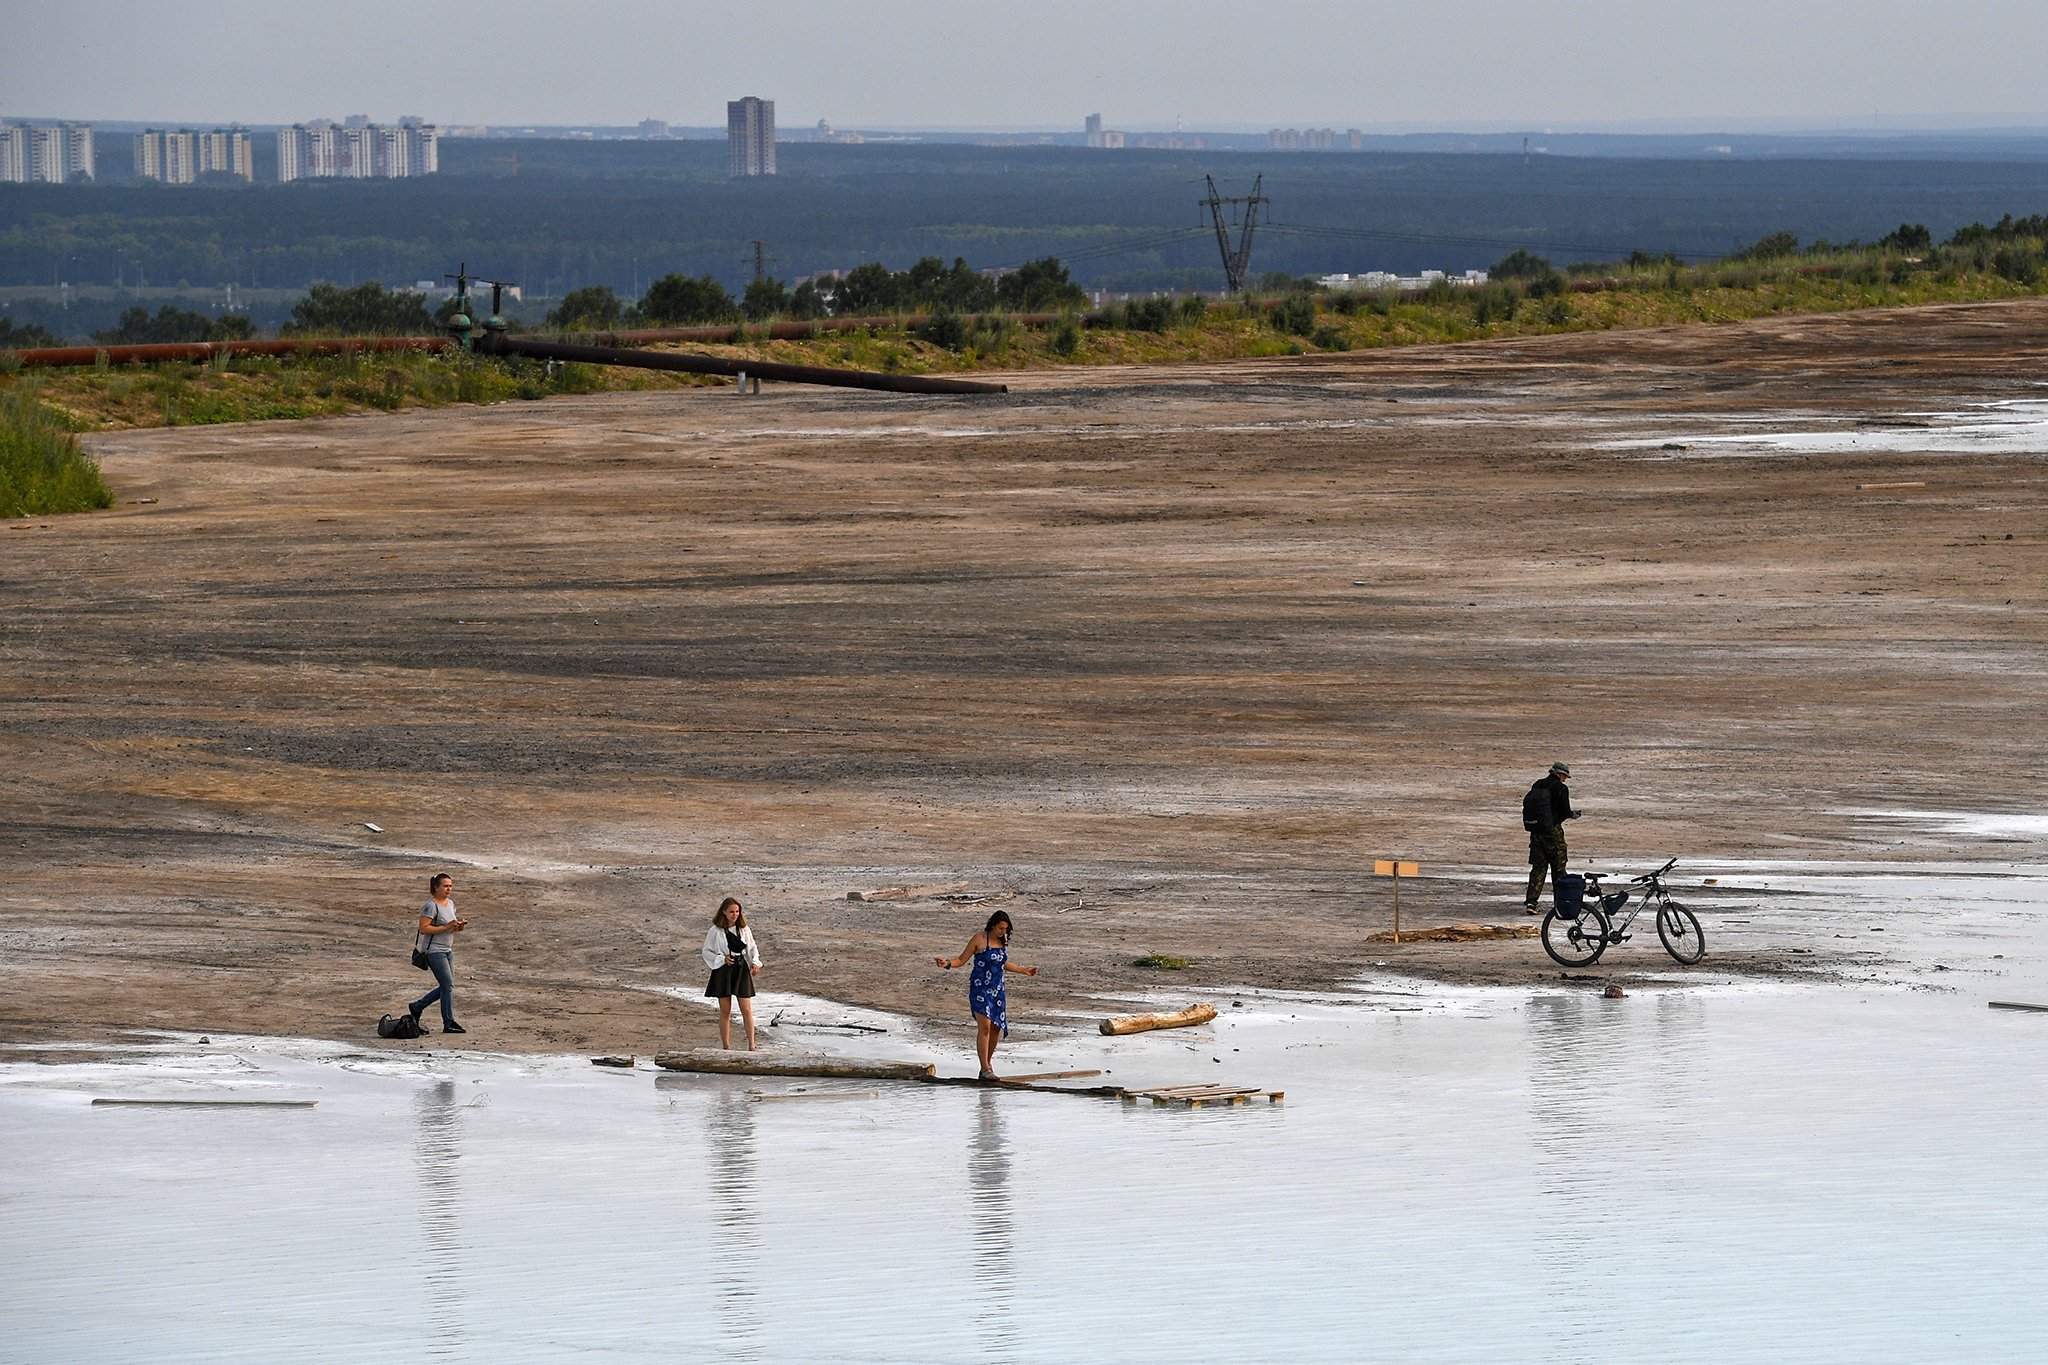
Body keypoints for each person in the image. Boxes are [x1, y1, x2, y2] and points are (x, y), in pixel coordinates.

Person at [935, 910, 1038, 1082]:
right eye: (1000, 928)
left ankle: (987, 1066)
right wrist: (947, 964)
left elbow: (1002, 963)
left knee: (996, 1028)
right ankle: (985, 1068)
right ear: (992, 925)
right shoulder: (979, 938)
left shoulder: (1003, 940)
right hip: (980, 989)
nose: (1003, 932)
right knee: (985, 1027)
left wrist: (1024, 970)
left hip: (998, 991)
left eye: (1005, 929)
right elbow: (961, 960)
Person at [408, 873, 468, 1034]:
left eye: (450, 886)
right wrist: (447, 926)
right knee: (447, 985)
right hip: (434, 951)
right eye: (445, 886)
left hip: (447, 950)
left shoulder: (451, 904)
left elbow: (449, 928)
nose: (449, 889)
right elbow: (423, 928)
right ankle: (448, 1022)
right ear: (436, 887)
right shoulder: (431, 906)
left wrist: (458, 927)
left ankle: (417, 1006)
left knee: (447, 986)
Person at [702, 897, 763, 1050]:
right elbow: (706, 951)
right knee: (725, 1011)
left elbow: (752, 948)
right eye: (731, 912)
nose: (734, 915)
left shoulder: (744, 929)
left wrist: (755, 963)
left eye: (737, 911)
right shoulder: (715, 931)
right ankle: (726, 1047)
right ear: (724, 912)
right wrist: (722, 959)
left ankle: (752, 1044)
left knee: (746, 1009)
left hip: (741, 969)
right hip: (723, 971)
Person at [1523, 761, 1582, 914]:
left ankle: (1531, 903)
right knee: (1559, 869)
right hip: (1553, 832)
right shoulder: (1561, 789)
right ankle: (1559, 904)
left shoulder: (1538, 784)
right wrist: (1573, 815)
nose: (1565, 779)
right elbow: (1564, 811)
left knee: (1538, 868)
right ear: (1560, 774)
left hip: (1536, 832)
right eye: (1565, 776)